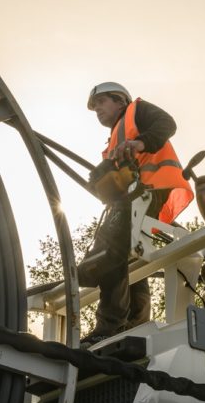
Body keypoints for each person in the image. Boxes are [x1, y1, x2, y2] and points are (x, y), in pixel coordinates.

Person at [78, 82, 193, 348]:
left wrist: (140, 142)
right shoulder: (113, 143)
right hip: (134, 196)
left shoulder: (136, 111)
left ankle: (109, 325)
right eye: (94, 107)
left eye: (101, 103)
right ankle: (136, 323)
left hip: (150, 189)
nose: (97, 110)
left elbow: (167, 123)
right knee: (129, 256)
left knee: (112, 249)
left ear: (120, 101)